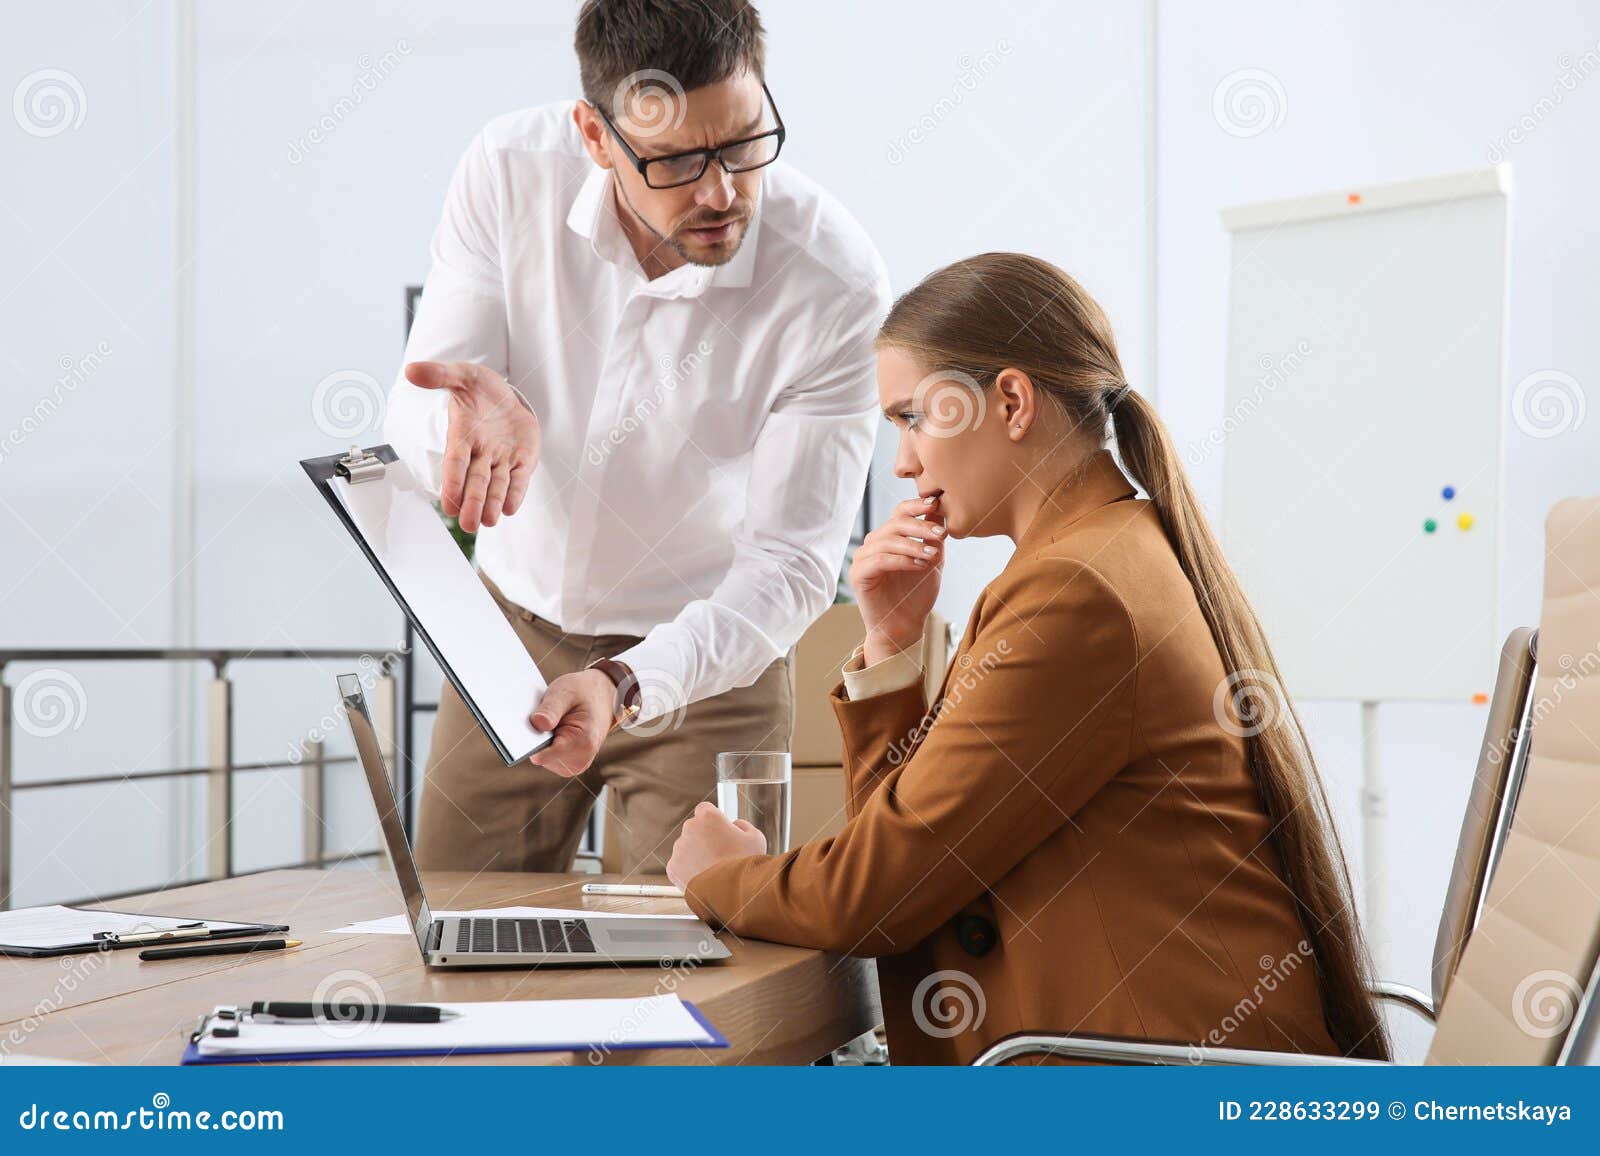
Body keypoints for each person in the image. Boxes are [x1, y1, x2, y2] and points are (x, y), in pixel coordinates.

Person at [666, 252, 1390, 1065]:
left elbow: (875, 896)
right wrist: (894, 645)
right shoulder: (1094, 554)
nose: (902, 463)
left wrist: (718, 877)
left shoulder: (1074, 594)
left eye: (912, 418)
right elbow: (911, 849)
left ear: (1011, 401)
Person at [386, 0, 890, 875]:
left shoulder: (833, 282)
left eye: (742, 143)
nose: (721, 193)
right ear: (593, 134)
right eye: (676, 161)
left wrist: (626, 683)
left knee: (691, 964)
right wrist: (469, 423)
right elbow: (423, 406)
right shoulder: (509, 171)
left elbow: (795, 563)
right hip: (514, 626)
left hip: (709, 650)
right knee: (455, 928)